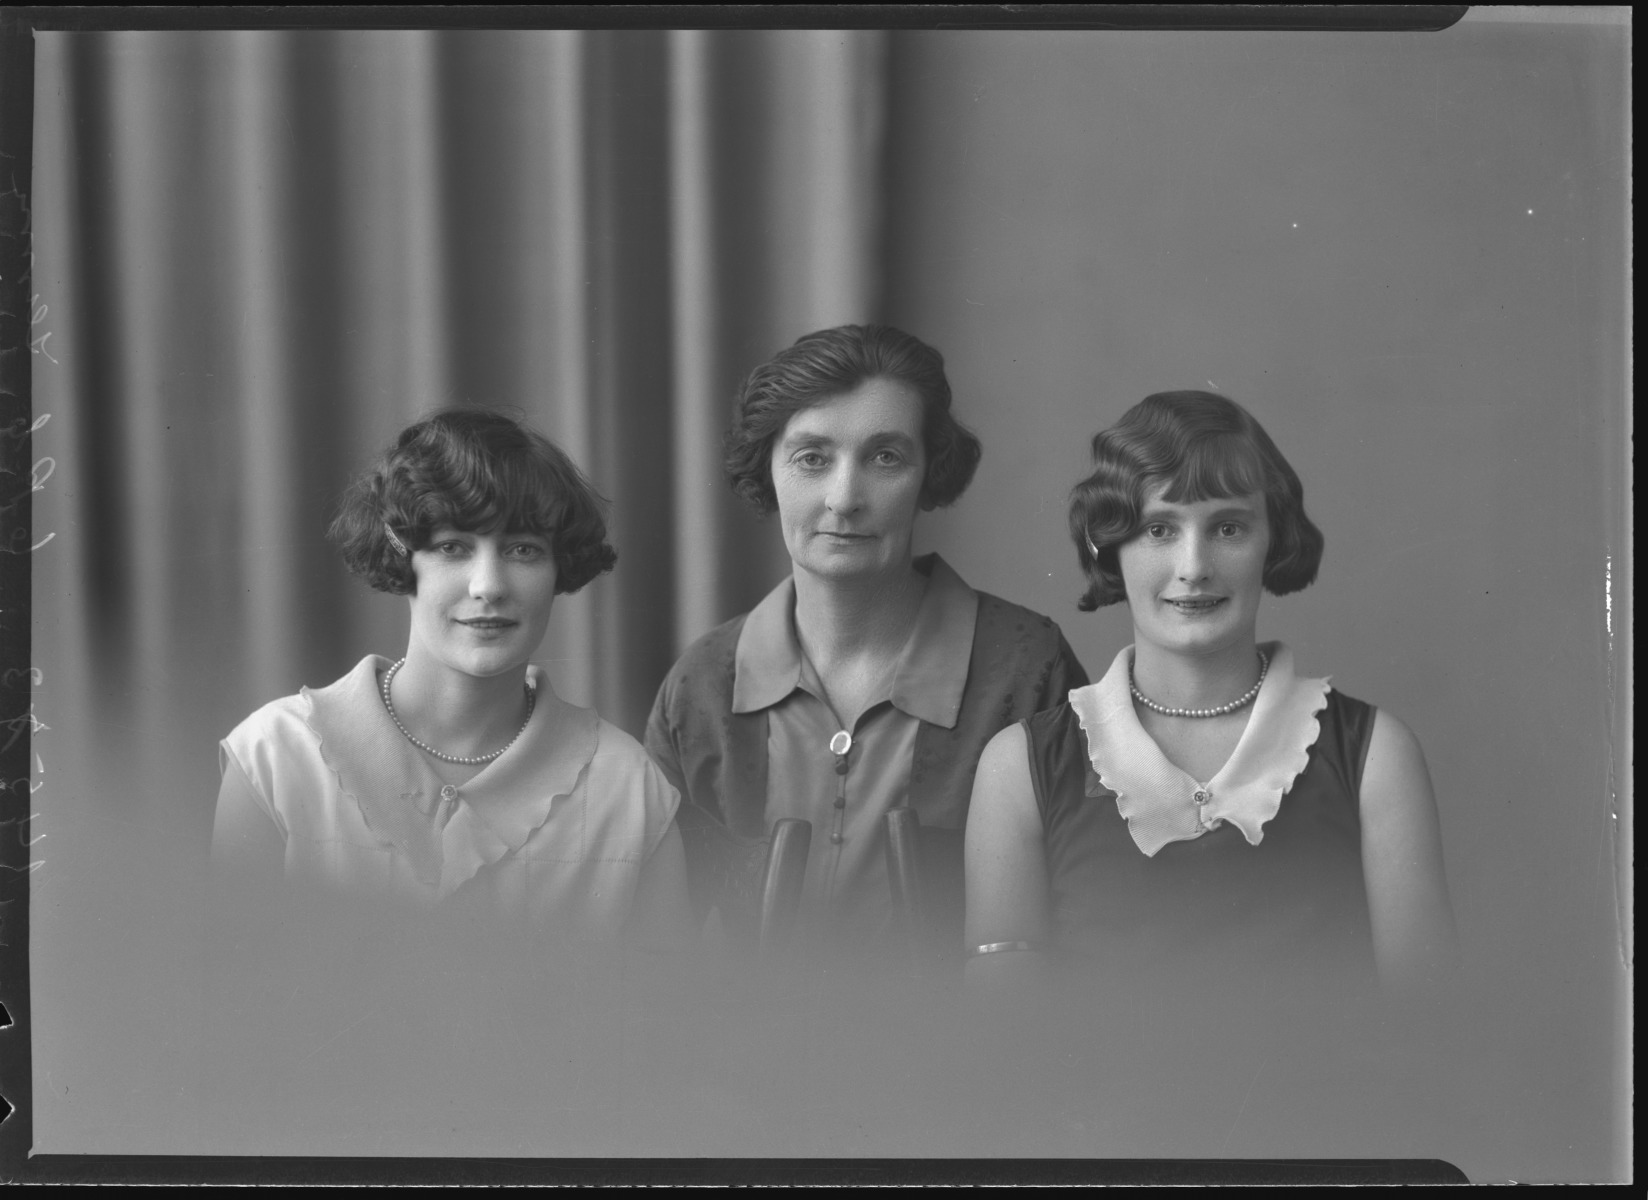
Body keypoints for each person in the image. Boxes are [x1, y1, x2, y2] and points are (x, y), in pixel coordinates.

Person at [964, 391, 1458, 995]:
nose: (1194, 565)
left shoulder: (1375, 754)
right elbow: (1006, 1042)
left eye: (1227, 527)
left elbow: (1429, 1028)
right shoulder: (1020, 766)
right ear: (1110, 545)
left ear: (1272, 541)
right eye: (1158, 529)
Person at [646, 325, 1087, 960]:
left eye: (885, 457)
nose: (845, 498)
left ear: (928, 473)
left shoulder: (1025, 665)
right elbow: (653, 940)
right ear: (765, 472)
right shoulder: (703, 685)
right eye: (811, 458)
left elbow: (1084, 918)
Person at [211, 409, 689, 944]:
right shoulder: (275, 759)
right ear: (402, 557)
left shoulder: (629, 788)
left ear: (560, 569)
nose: (488, 585)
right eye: (451, 548)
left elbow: (661, 1017)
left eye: (523, 550)